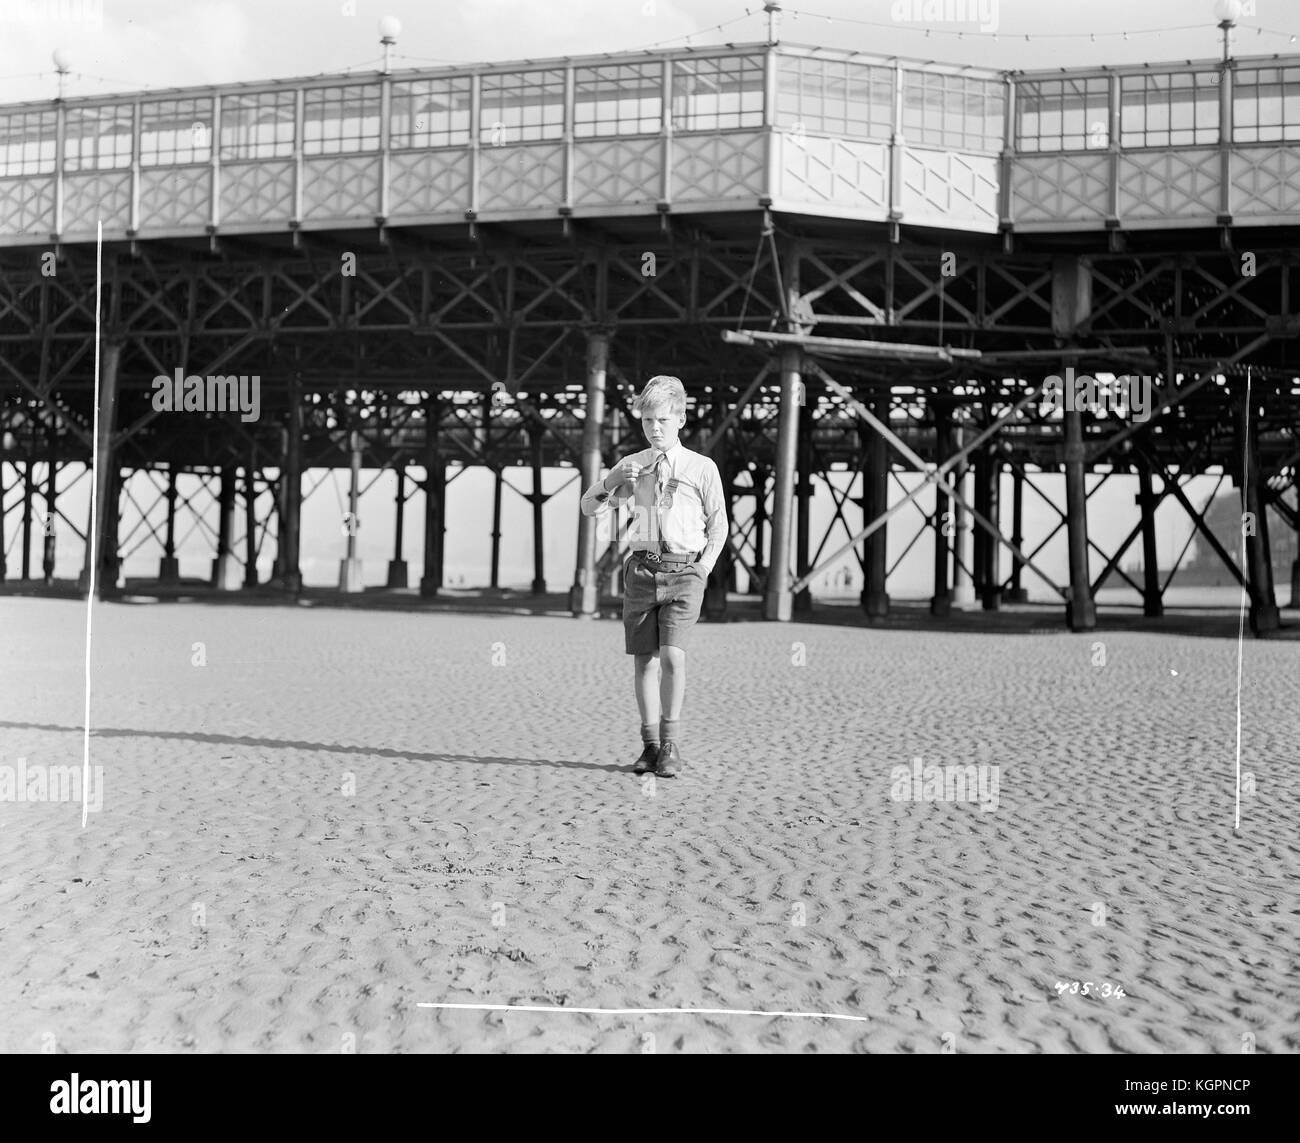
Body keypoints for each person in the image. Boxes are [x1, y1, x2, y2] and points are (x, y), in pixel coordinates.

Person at [579, 376, 727, 778]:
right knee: (644, 661)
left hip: (685, 572)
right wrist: (612, 481)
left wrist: (704, 569)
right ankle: (649, 747)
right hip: (642, 571)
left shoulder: (702, 468)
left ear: (680, 418)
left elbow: (719, 526)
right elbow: (589, 508)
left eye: (662, 419)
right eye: (647, 421)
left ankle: (672, 745)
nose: (654, 428)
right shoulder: (634, 466)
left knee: (674, 657)